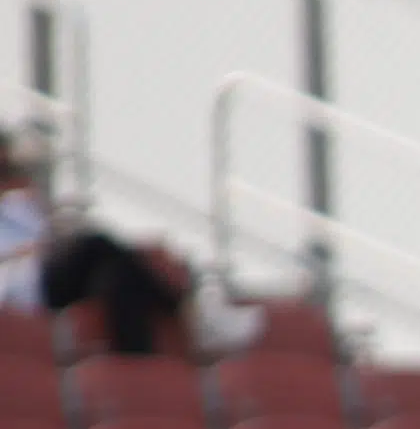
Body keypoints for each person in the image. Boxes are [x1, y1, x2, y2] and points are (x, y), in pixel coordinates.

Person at [0, 128, 261, 354]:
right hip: (25, 289)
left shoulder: (18, 205)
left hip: (54, 271)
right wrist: (37, 248)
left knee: (120, 276)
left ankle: (139, 362)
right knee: (97, 244)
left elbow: (52, 237)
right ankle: (195, 317)